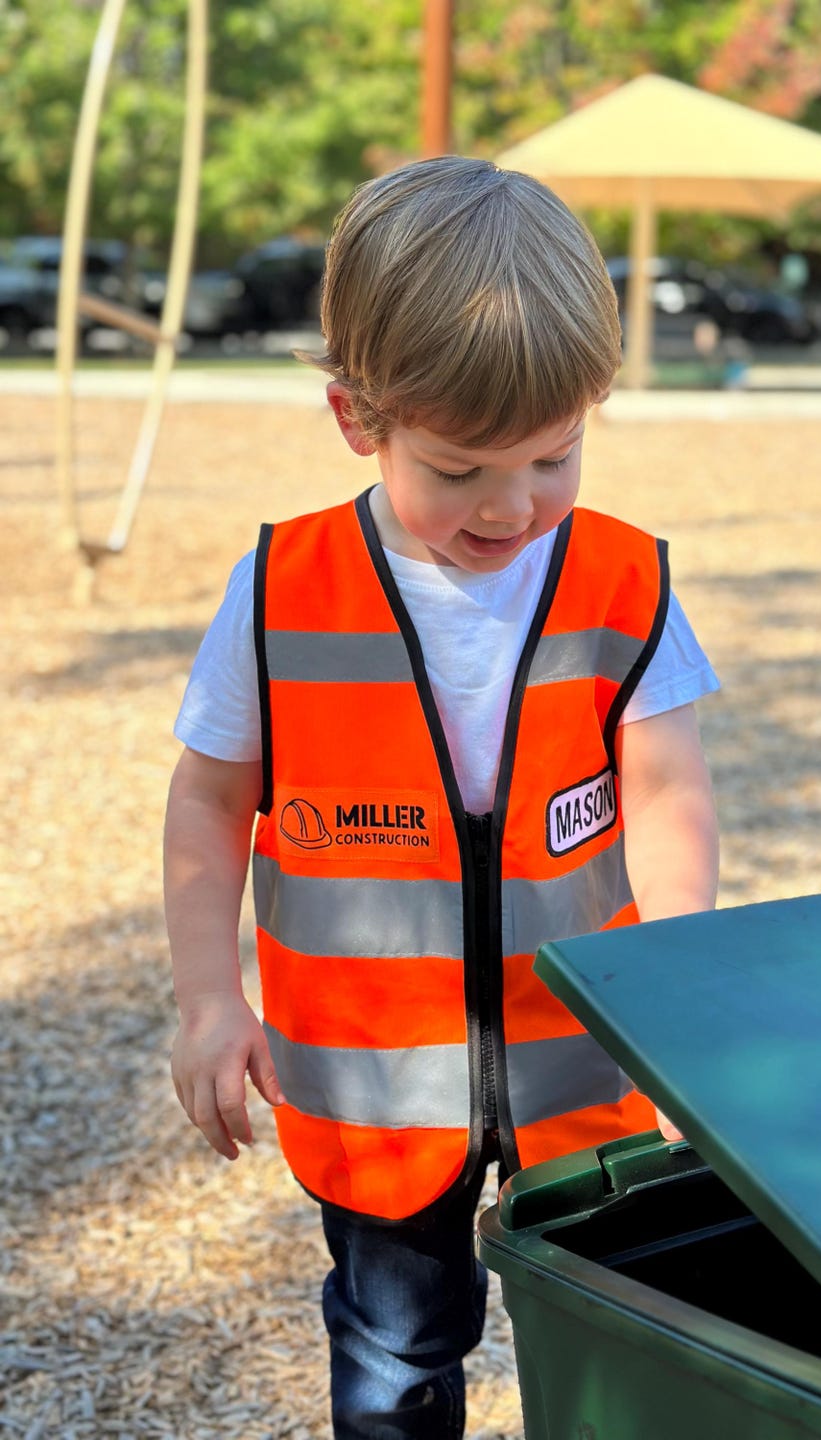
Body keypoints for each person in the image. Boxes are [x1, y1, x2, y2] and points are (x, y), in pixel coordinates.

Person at [164, 155, 720, 1440]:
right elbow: (206, 807)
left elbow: (669, 782)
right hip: (371, 1083)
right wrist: (208, 1002)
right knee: (397, 1358)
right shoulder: (283, 591)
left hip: (585, 1061)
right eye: (462, 467)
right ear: (359, 417)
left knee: (606, 1345)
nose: (513, 506)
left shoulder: (623, 578)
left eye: (554, 455)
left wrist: (683, 971)